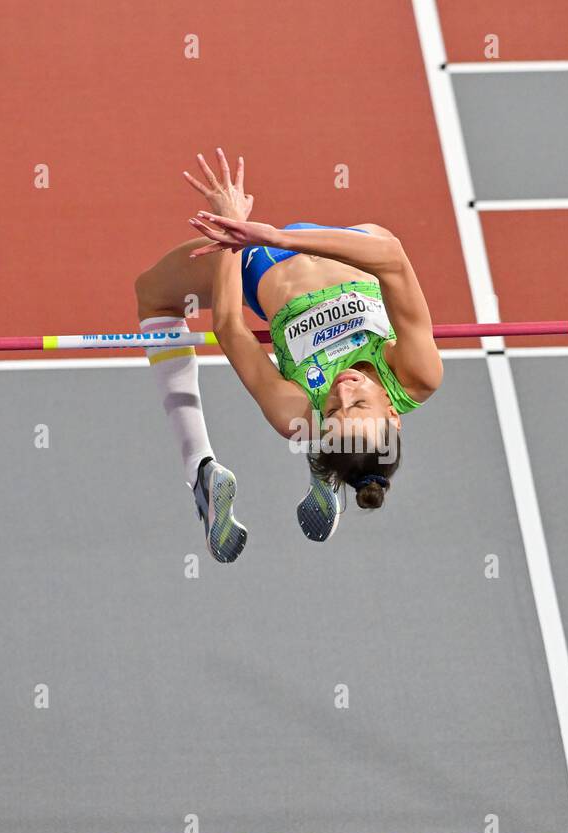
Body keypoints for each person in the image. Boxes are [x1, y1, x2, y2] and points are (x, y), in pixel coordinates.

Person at [134, 149, 442, 562]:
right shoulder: (416, 376)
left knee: (153, 296)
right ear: (393, 415)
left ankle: (200, 469)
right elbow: (394, 259)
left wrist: (237, 232)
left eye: (334, 411)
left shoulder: (294, 412)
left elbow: (229, 327)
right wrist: (276, 235)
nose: (344, 389)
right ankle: (326, 467)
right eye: (361, 401)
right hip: (350, 245)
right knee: (380, 237)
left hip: (260, 266)